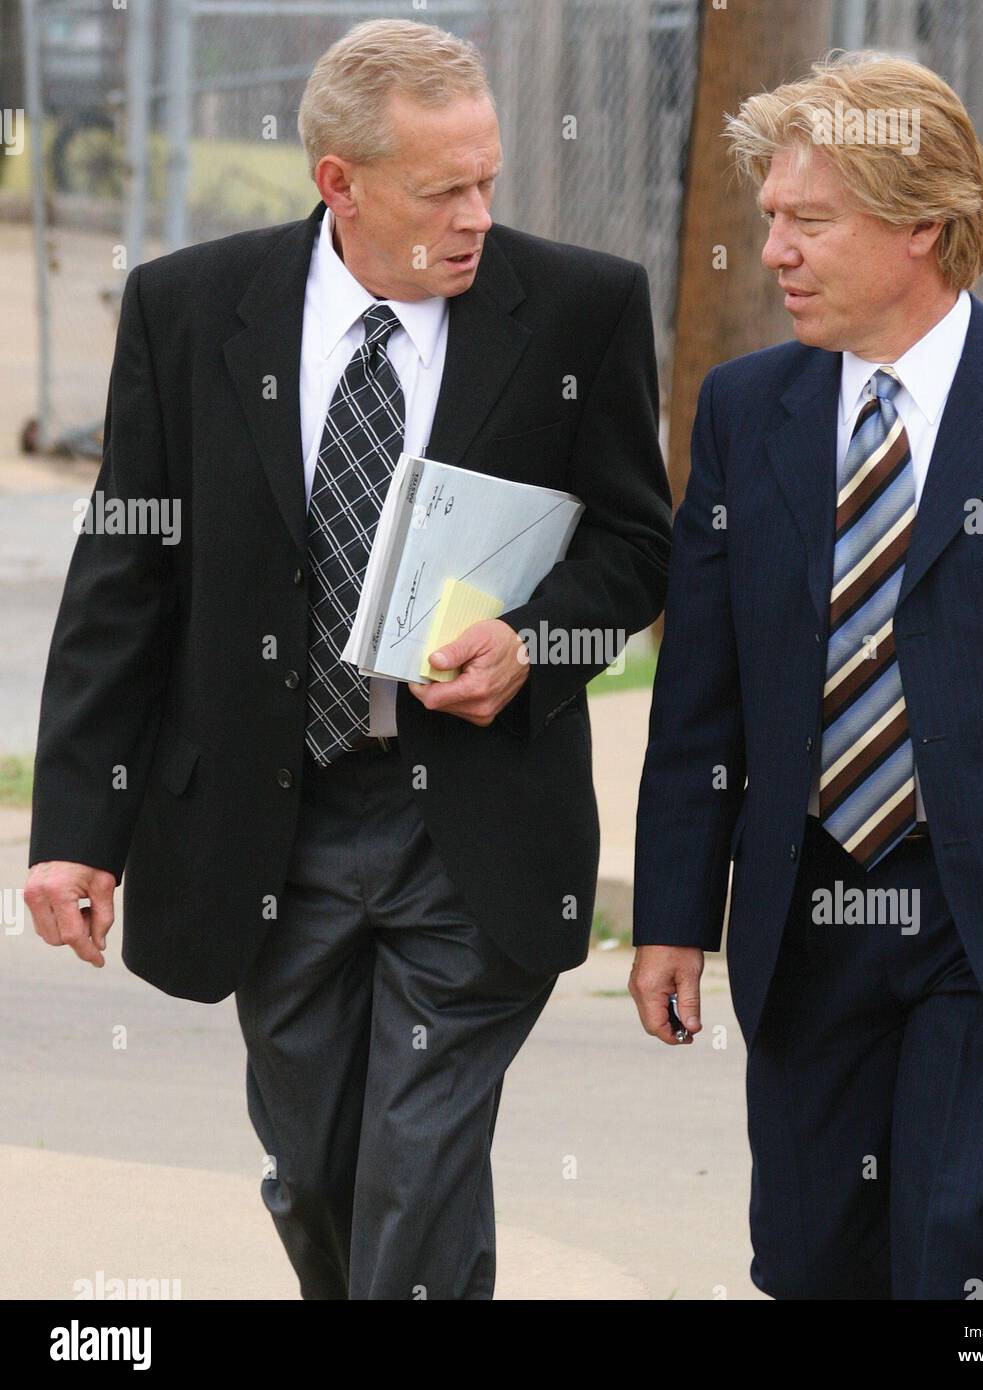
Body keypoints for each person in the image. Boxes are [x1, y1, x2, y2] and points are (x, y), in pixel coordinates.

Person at [25, 18, 671, 1300]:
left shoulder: (581, 308)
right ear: (339, 180)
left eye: (489, 176)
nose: (479, 212)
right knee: (315, 1172)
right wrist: (75, 825)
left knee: (416, 1168)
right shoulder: (190, 306)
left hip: (472, 819)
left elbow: (637, 553)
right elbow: (126, 578)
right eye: (445, 188)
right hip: (273, 824)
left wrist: (536, 649)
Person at [629, 51, 983, 1299]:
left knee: (959, 1258)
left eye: (811, 222)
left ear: (924, 223)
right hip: (810, 924)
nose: (776, 254)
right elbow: (703, 688)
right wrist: (673, 913)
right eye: (769, 222)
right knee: (808, 1262)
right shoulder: (749, 411)